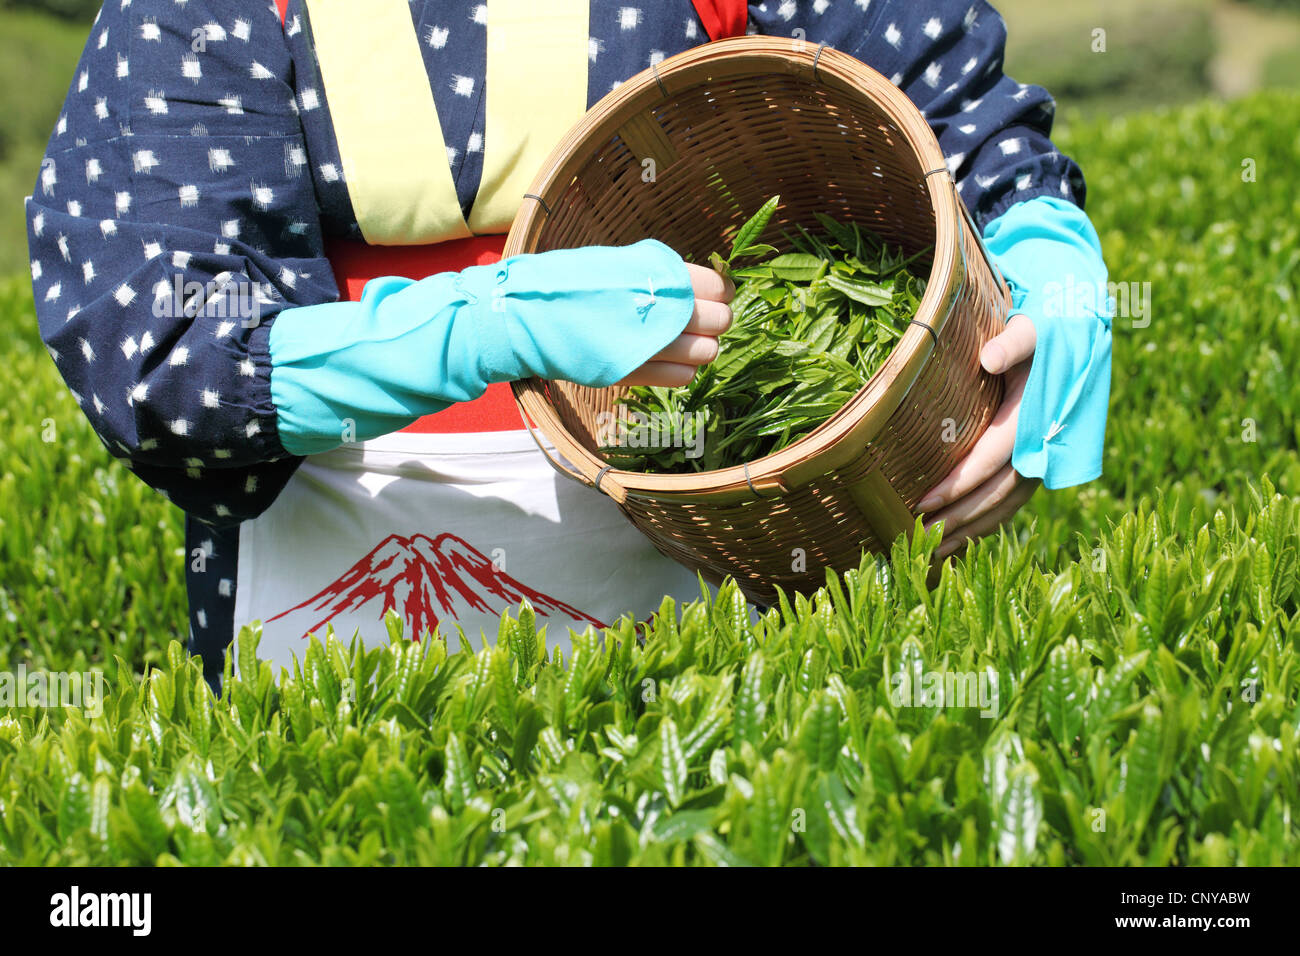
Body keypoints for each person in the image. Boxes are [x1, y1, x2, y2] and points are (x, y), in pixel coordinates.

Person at [26, 0, 1110, 687]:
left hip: (721, 567)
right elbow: (164, 362)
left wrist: (1036, 244)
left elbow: (939, 108)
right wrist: (479, 326)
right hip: (334, 598)